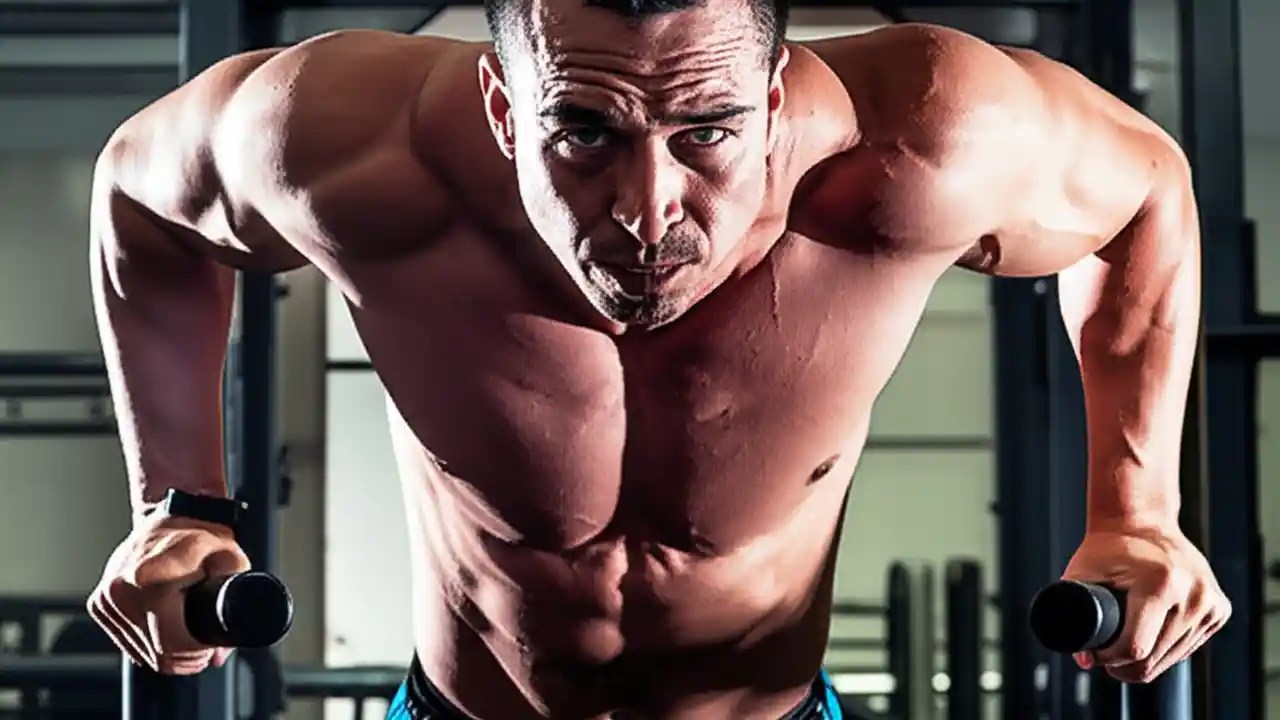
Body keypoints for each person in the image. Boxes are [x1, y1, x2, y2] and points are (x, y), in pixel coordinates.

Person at [85, 0, 1231, 717]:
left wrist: (1134, 510)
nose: (645, 209)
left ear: (773, 98)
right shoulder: (339, 143)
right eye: (582, 131)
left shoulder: (931, 137)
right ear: (500, 101)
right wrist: (177, 502)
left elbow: (1142, 189)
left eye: (707, 133)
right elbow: (141, 198)